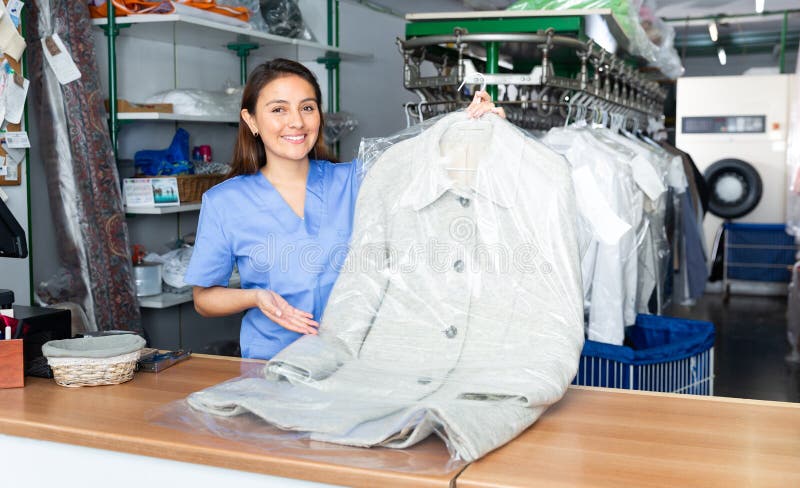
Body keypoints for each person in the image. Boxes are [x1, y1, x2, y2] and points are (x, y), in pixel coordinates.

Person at [184, 58, 505, 360]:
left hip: (358, 365)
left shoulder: (356, 179)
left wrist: (474, 130)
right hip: (271, 366)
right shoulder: (225, 202)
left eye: (307, 108)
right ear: (251, 120)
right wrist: (255, 298)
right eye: (278, 109)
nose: (296, 122)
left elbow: (433, 166)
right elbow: (204, 298)